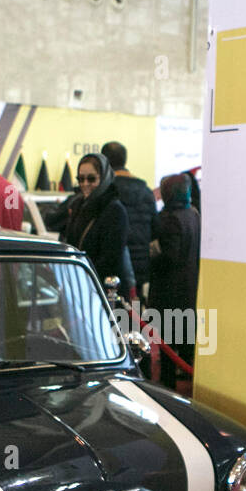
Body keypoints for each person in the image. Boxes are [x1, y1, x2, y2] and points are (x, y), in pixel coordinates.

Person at [149, 174, 201, 389]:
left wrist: (151, 252)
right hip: (189, 288)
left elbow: (168, 256)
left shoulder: (169, 219)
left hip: (168, 291)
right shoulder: (194, 214)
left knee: (168, 349)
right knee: (186, 347)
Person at [62, 152, 127, 288]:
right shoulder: (77, 205)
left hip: (102, 287)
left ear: (103, 178)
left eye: (91, 179)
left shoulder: (114, 210)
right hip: (78, 283)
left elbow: (110, 258)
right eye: (81, 179)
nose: (85, 184)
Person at [102, 141, 157, 295]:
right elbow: (155, 229)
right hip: (140, 266)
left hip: (113, 266)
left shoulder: (105, 192)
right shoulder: (146, 192)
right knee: (132, 314)